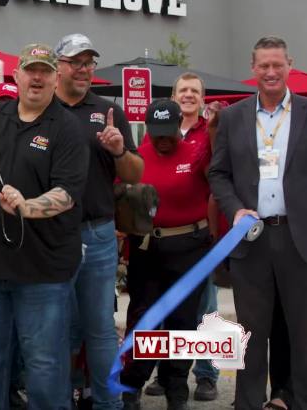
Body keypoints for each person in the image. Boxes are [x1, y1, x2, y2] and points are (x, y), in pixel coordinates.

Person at [0, 43, 89, 410]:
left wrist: (27, 206)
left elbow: (67, 194)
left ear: (55, 77)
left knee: (44, 365)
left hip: (44, 270)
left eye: (45, 71)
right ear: (18, 75)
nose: (38, 77)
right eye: (31, 70)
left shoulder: (68, 129)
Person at [209, 36, 307, 410]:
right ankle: (247, 403)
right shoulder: (233, 117)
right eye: (263, 65)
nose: (270, 72)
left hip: (300, 238)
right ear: (253, 69)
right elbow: (218, 173)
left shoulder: (306, 111)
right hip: (251, 239)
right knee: (250, 333)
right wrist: (234, 207)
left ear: (289, 66)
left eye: (277, 65)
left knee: (303, 333)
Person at [54, 33, 143, 410]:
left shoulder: (108, 111)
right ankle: (66, 398)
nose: (84, 68)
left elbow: (136, 173)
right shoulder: (42, 109)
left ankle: (109, 404)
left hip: (99, 233)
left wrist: (119, 149)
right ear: (59, 66)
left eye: (89, 62)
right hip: (53, 235)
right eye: (76, 61)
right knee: (60, 331)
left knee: (101, 330)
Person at [118, 99, 212, 410]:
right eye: (156, 132)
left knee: (182, 322)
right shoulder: (137, 158)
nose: (162, 139)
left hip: (190, 248)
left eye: (168, 132)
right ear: (147, 128)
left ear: (178, 128)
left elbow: (218, 181)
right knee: (144, 319)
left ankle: (177, 392)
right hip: (147, 249)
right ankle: (132, 385)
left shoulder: (197, 154)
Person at [143, 72, 221, 403]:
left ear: (202, 98)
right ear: (174, 97)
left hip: (199, 237)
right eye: (183, 90)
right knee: (167, 312)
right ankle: (167, 373)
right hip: (160, 241)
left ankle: (206, 374)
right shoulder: (159, 130)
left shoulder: (210, 132)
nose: (188, 95)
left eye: (195, 91)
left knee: (204, 310)